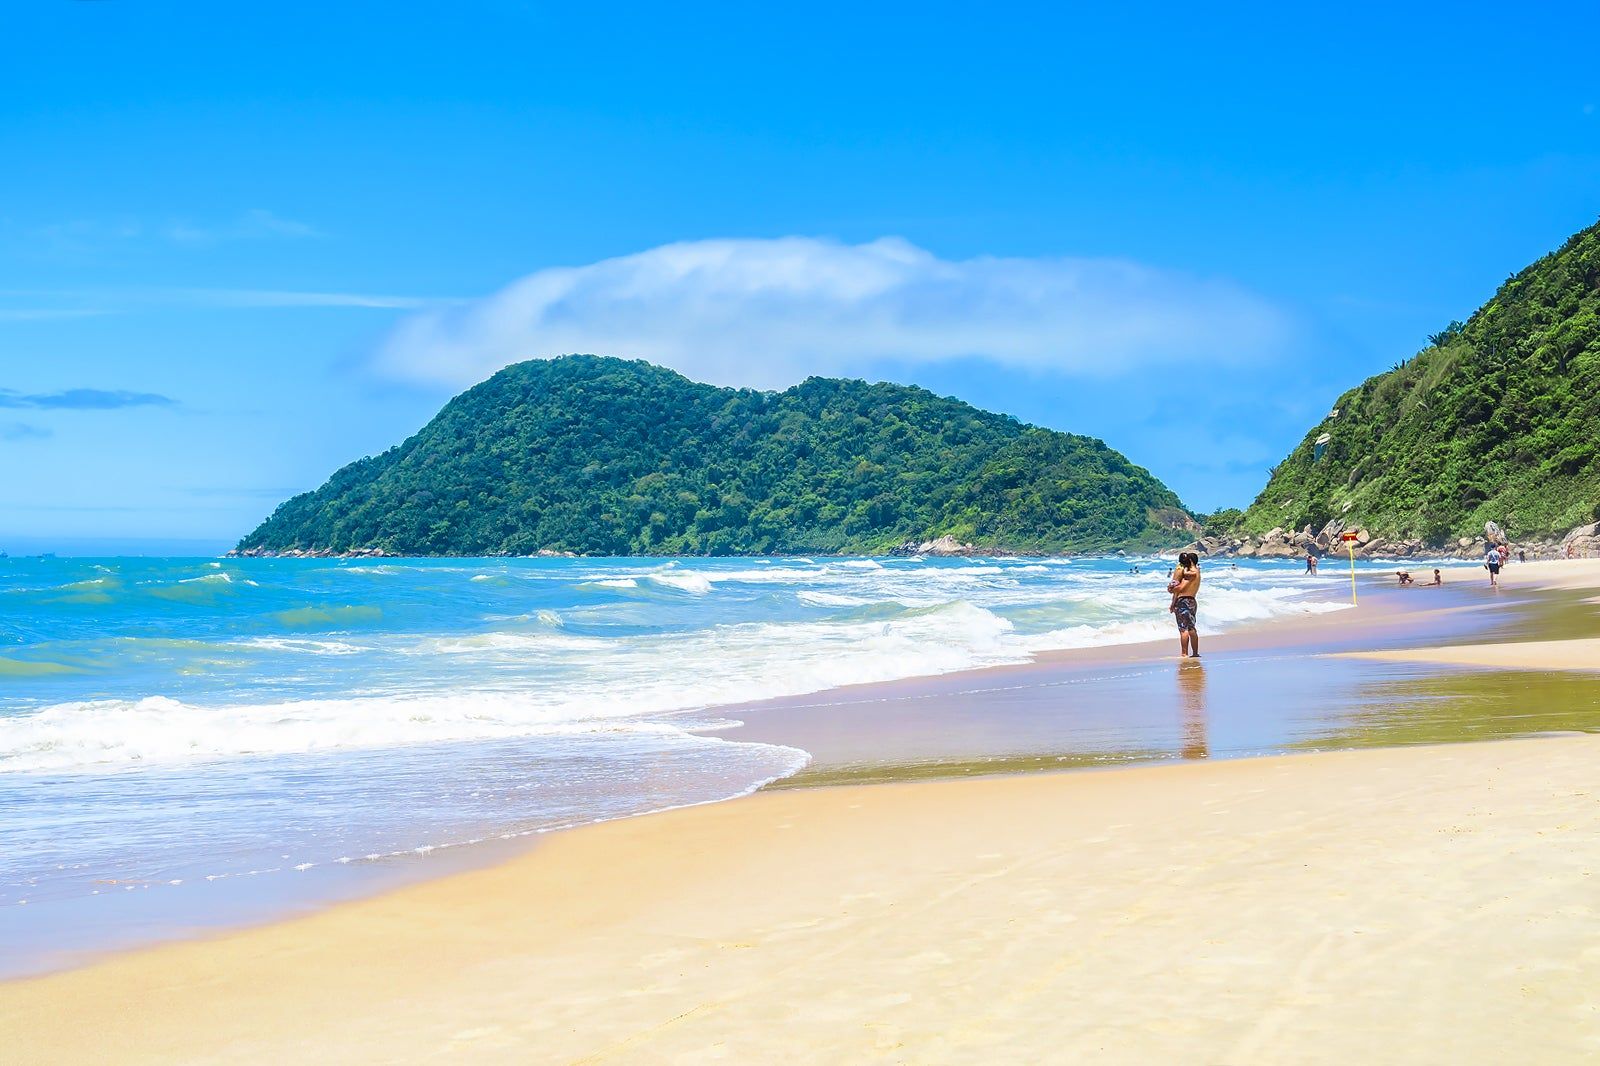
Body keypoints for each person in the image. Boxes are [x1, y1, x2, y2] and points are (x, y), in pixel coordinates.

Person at [1167, 551, 1202, 658]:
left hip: (1184, 601)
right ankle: (1195, 653)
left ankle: (1184, 653)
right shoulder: (1197, 572)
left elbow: (1180, 588)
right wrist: (1173, 602)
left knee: (1183, 629)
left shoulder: (1190, 574)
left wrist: (1171, 589)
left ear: (1190, 560)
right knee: (1191, 628)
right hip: (1192, 600)